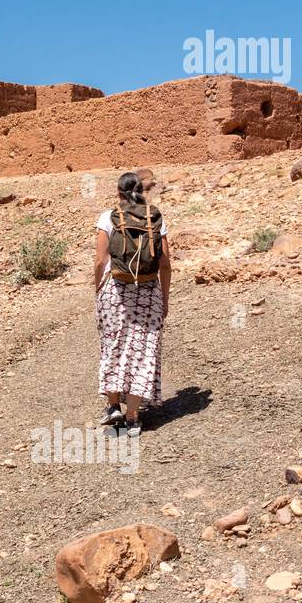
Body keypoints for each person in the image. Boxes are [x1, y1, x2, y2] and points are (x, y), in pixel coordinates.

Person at [92, 169, 170, 435]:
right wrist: (165, 298)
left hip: (114, 291)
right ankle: (134, 417)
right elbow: (166, 265)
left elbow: (100, 260)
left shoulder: (108, 217)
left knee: (113, 346)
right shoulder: (155, 217)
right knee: (143, 351)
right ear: (142, 191)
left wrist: (97, 289)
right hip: (148, 293)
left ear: (118, 192)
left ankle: (114, 407)